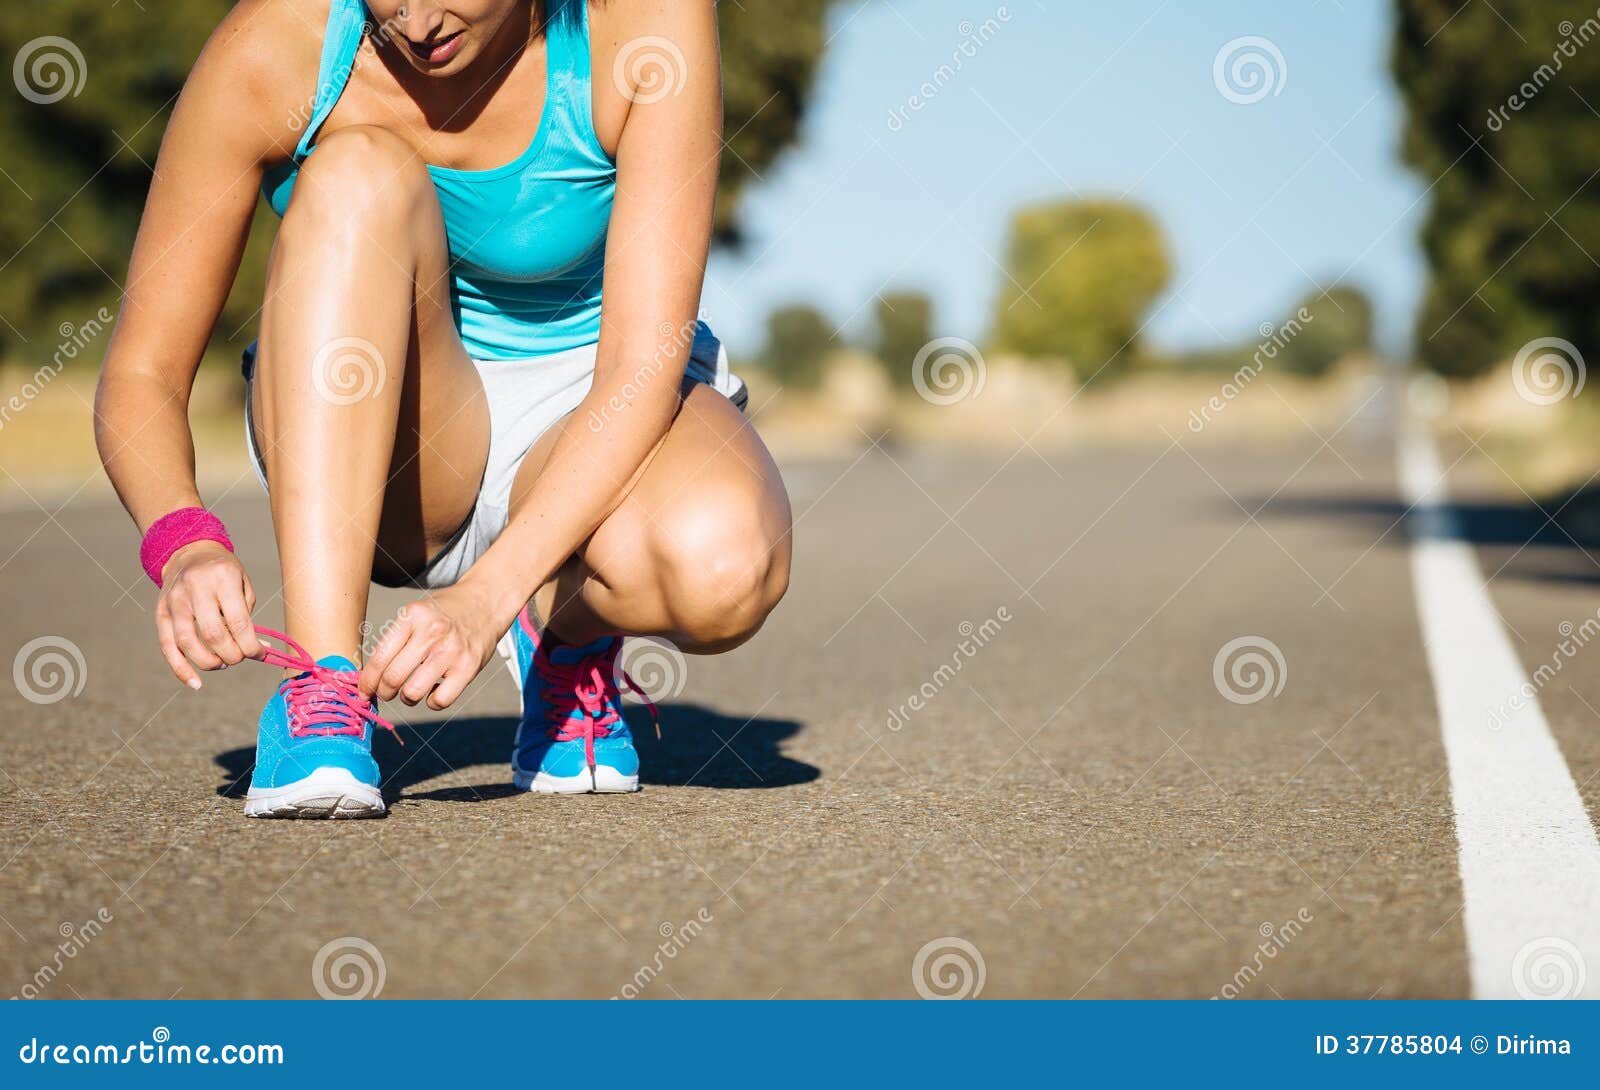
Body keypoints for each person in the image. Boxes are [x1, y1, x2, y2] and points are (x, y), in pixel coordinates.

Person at [94, 0, 792, 818]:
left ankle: (562, 632)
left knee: (723, 570)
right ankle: (323, 688)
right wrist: (181, 540)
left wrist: (488, 597)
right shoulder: (274, 50)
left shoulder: (643, 24)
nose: (418, 20)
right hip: (392, 429)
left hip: (597, 402)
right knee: (357, 173)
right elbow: (142, 372)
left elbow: (640, 371)